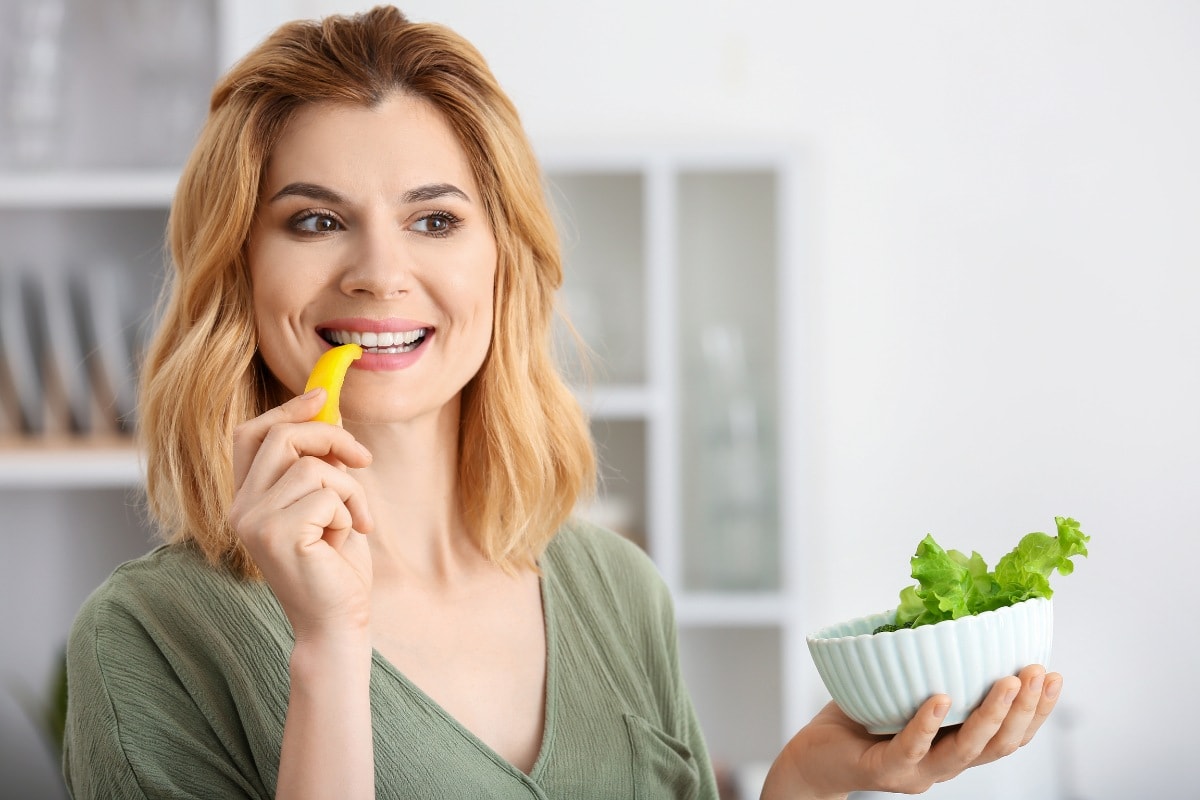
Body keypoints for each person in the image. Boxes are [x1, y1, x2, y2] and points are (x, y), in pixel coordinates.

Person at [62, 6, 1062, 799]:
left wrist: (807, 780)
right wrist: (326, 652)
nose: (378, 271)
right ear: (239, 268)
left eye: (435, 218)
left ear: (505, 263)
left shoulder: (617, 588)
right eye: (316, 219)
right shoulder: (148, 637)